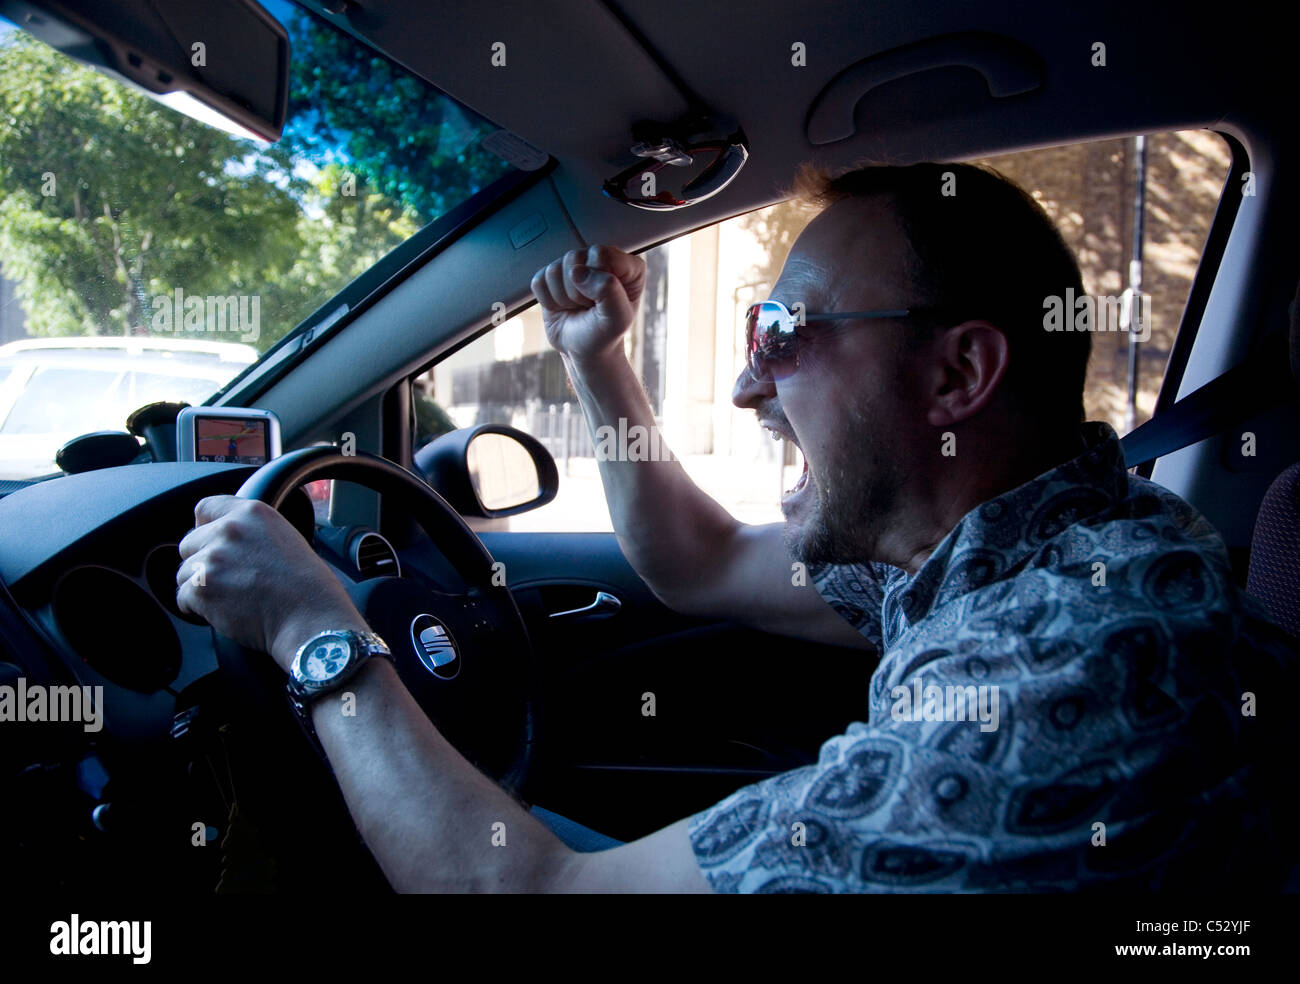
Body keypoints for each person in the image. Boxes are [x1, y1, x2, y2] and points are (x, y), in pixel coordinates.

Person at [177, 161, 1296, 892]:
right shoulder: (1033, 549)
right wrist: (595, 357)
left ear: (957, 373)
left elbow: (524, 898)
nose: (747, 388)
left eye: (786, 334)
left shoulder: (1051, 680)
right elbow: (697, 563)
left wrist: (316, 634)